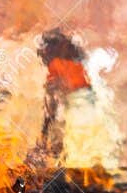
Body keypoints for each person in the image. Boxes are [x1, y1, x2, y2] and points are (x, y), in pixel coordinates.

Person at [36, 29, 90, 164]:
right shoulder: (69, 64)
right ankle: (55, 154)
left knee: (59, 128)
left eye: (46, 49)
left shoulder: (61, 64)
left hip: (77, 105)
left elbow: (54, 104)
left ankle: (58, 157)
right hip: (80, 104)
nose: (42, 54)